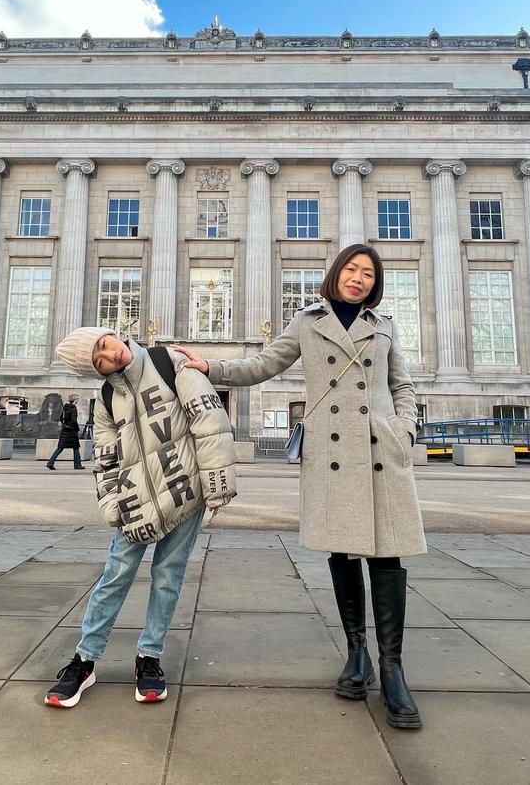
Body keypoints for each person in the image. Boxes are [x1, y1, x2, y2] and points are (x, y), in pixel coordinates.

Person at [174, 243, 425, 730]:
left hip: (380, 451)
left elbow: (403, 385)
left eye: (368, 274)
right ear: (337, 274)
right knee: (342, 551)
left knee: (388, 555)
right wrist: (211, 368)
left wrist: (406, 430)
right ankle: (358, 654)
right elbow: (264, 365)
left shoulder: (384, 326)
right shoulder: (307, 322)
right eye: (351, 270)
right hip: (332, 454)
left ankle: (393, 669)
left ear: (376, 283)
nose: (358, 279)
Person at [43, 327, 238, 709]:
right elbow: (105, 458)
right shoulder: (105, 399)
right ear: (94, 372)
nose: (110, 355)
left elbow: (209, 423)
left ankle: (149, 657)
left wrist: (217, 484)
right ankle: (85, 660)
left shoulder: (169, 361)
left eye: (105, 344)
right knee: (114, 575)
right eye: (98, 360)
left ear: (113, 335)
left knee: (169, 575)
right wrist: (112, 505)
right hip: (138, 502)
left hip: (184, 491)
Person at [46, 394, 83, 470]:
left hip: (64, 430)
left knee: (60, 448)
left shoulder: (64, 408)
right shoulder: (73, 408)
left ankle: (50, 462)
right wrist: (76, 429)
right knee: (76, 448)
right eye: (77, 399)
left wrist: (65, 424)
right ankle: (77, 464)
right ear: (75, 400)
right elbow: (74, 421)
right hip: (72, 431)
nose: (77, 400)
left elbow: (60, 418)